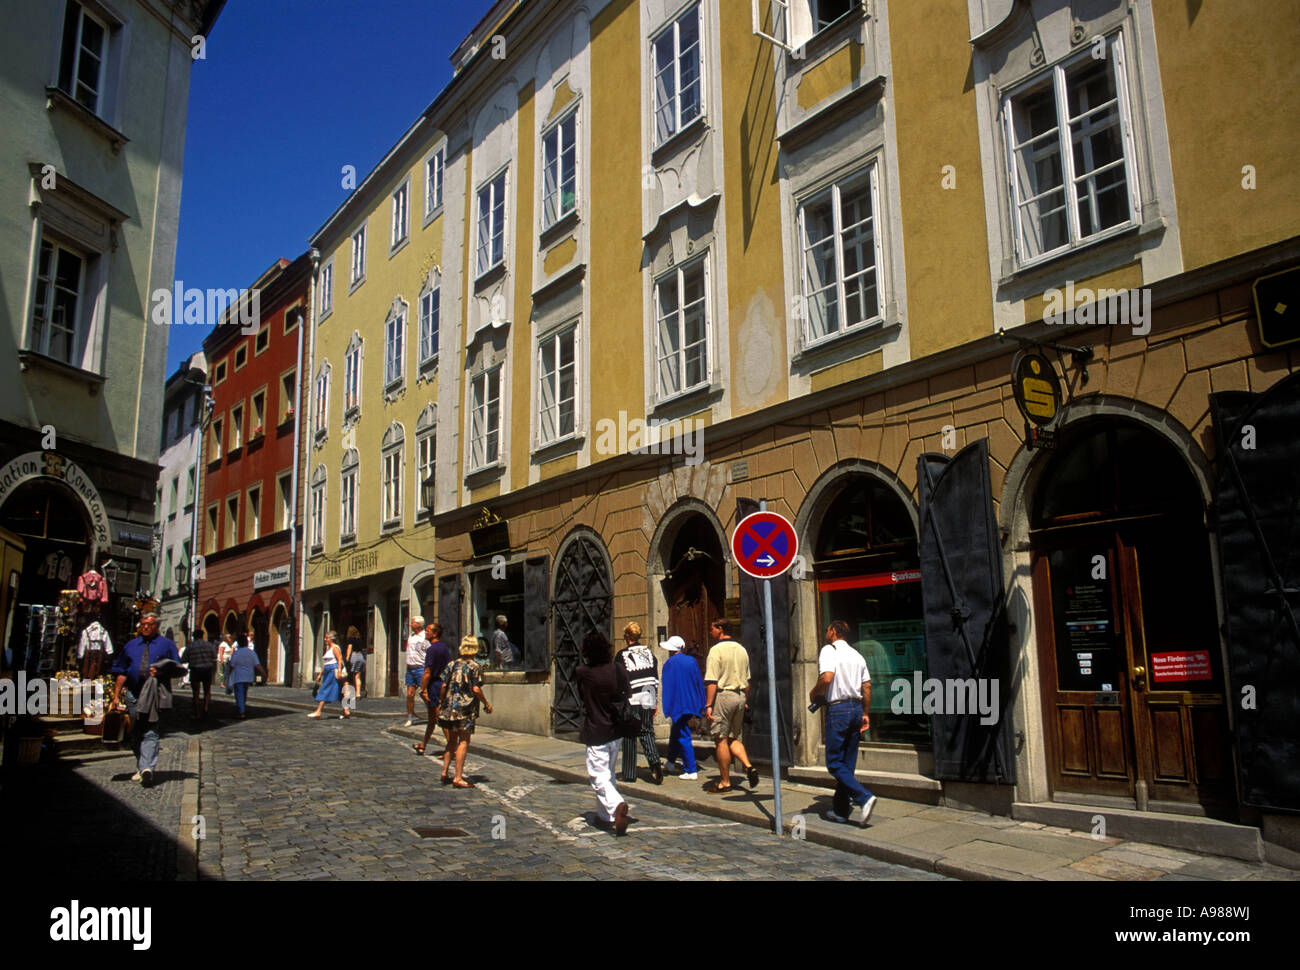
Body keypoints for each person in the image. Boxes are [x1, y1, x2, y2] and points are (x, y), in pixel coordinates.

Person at [812, 620, 876, 826]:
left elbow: (827, 677)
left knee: (833, 762)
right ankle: (840, 811)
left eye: (827, 629)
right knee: (846, 764)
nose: (825, 633)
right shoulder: (857, 655)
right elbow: (866, 687)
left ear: (833, 631)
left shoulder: (828, 650)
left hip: (838, 709)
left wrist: (814, 693)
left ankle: (864, 797)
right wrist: (865, 713)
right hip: (856, 708)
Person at [110, 614, 182, 787]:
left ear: (157, 626)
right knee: (135, 730)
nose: (146, 627)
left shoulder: (166, 645)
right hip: (133, 694)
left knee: (150, 730)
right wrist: (115, 695)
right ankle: (142, 765)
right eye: (143, 624)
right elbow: (121, 671)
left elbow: (177, 669)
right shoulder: (131, 645)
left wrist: (162, 672)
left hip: (153, 694)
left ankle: (147, 768)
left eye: (149, 625)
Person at [577, 631, 632, 835]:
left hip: (596, 730)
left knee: (597, 776)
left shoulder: (583, 672)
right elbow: (628, 693)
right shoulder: (617, 669)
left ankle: (617, 804)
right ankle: (605, 816)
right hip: (615, 729)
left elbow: (582, 697)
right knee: (608, 775)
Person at [703, 618, 759, 794]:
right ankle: (749, 766)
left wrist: (708, 705)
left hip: (723, 696)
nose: (710, 632)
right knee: (733, 737)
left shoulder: (716, 650)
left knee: (720, 739)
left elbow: (712, 681)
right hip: (740, 695)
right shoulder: (742, 650)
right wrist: (745, 700)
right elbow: (748, 681)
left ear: (720, 629)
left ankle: (725, 782)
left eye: (712, 628)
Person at [438, 636, 492, 788]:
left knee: (451, 741)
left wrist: (442, 701)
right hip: (465, 709)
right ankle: (458, 777)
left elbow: (443, 685)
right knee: (463, 741)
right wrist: (486, 703)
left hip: (449, 708)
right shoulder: (474, 666)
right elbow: (476, 688)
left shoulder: (451, 664)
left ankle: (444, 771)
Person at [617, 621, 663, 785]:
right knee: (647, 731)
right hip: (649, 695)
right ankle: (655, 762)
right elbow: (654, 677)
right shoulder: (649, 653)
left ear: (627, 636)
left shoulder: (622, 655)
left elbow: (620, 680)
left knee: (629, 734)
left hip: (632, 697)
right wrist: (655, 701)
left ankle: (629, 773)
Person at [660, 635, 705, 780]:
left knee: (683, 735)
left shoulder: (669, 663)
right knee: (676, 731)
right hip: (690, 702)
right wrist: (701, 702)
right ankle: (671, 762)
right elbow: (698, 681)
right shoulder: (691, 661)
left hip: (678, 704)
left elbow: (667, 686)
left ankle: (691, 770)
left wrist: (667, 706)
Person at [414, 622, 451, 756]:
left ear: (435, 634)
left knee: (439, 717)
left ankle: (452, 749)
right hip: (442, 683)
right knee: (432, 719)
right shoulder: (445, 648)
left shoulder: (432, 649)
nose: (425, 632)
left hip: (434, 685)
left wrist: (422, 689)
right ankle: (423, 745)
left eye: (428, 630)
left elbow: (427, 672)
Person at [308, 631, 346, 719]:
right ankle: (346, 711)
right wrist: (320, 674)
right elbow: (325, 663)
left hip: (333, 670)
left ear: (331, 639)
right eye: (325, 637)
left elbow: (339, 658)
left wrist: (339, 670)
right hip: (327, 671)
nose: (325, 639)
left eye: (327, 638)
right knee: (339, 691)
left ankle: (318, 711)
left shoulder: (335, 648)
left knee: (325, 689)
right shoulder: (328, 649)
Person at [226, 637, 266, 719]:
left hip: (238, 676)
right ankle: (242, 707)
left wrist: (228, 675)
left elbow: (232, 665)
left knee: (239, 694)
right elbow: (257, 665)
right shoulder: (251, 653)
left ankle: (241, 711)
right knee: (244, 693)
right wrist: (263, 673)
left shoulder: (237, 653)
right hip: (248, 676)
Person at [182, 629, 217, 719]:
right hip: (206, 670)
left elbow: (184, 659)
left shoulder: (190, 646)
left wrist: (192, 659)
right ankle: (206, 708)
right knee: (207, 691)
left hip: (195, 670)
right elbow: (214, 657)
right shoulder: (209, 645)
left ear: (194, 636)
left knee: (196, 692)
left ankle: (197, 712)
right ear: (202, 635)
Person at [404, 615, 428, 727]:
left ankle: (433, 714)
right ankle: (410, 717)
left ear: (419, 624)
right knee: (409, 694)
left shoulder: (425, 636)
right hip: (410, 668)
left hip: (420, 668)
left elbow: (429, 652)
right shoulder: (411, 636)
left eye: (413, 623)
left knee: (424, 694)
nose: (411, 625)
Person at [344, 625, 366, 711]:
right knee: (358, 676)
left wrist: (347, 657)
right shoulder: (359, 639)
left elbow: (349, 648)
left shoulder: (350, 639)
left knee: (350, 675)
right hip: (361, 656)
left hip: (354, 656)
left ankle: (349, 693)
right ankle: (358, 694)